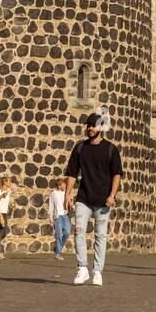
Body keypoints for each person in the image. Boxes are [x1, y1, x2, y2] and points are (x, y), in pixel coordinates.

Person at [64, 113, 122, 287]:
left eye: (94, 125)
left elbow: (116, 175)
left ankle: (97, 271)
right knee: (79, 231)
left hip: (104, 200)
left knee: (100, 236)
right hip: (84, 198)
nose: (90, 128)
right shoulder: (80, 148)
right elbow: (72, 173)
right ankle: (82, 268)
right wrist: (67, 194)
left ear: (101, 127)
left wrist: (112, 195)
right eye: (88, 125)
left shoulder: (111, 149)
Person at [48, 176, 70, 260]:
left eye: (65, 184)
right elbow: (51, 205)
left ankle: (58, 248)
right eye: (63, 185)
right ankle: (58, 253)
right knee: (58, 234)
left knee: (67, 233)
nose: (64, 186)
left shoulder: (66, 192)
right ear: (59, 186)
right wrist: (50, 217)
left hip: (65, 215)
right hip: (57, 216)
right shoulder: (54, 193)